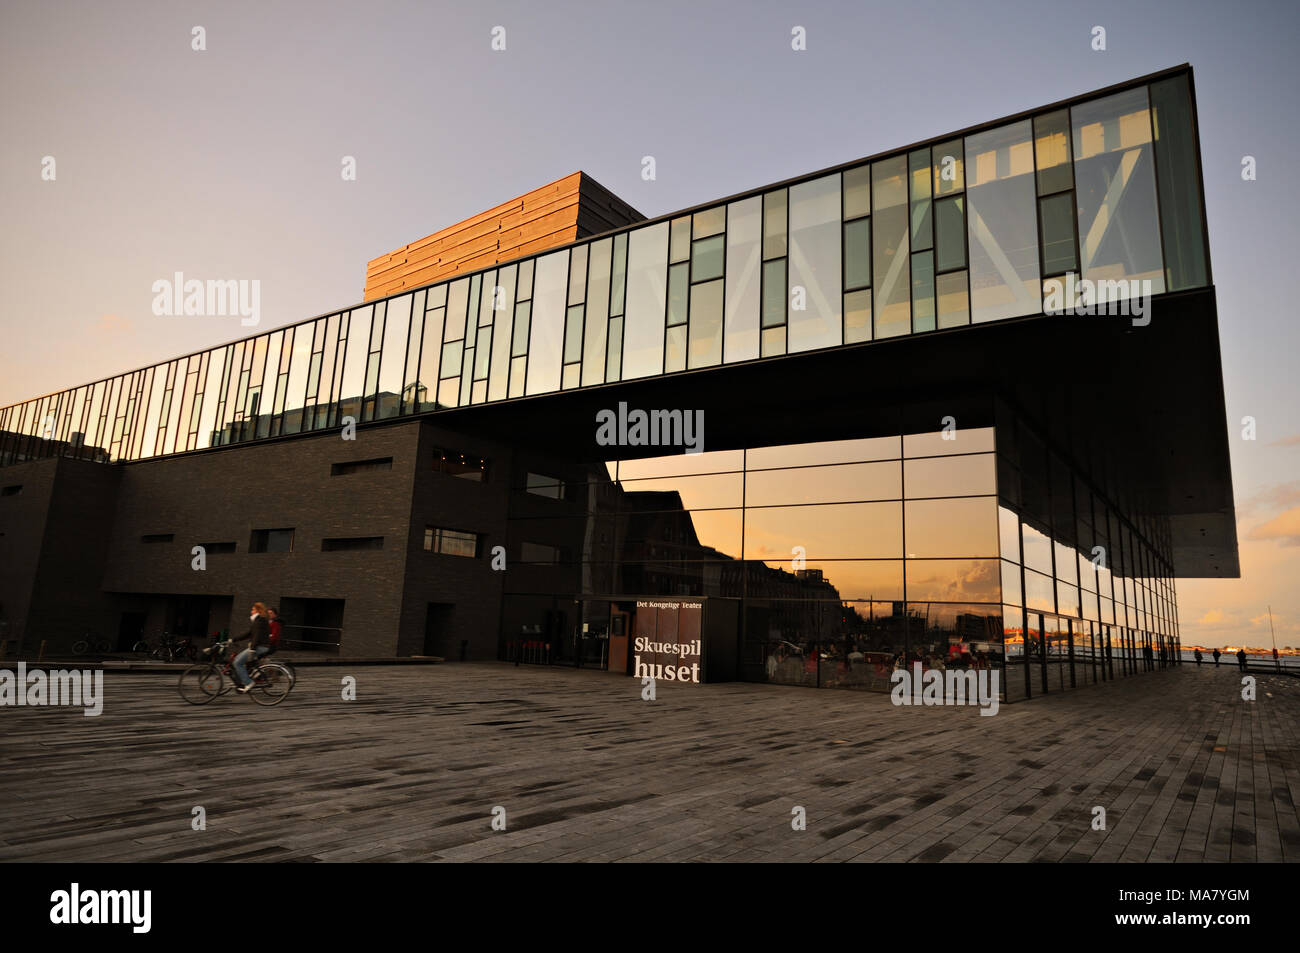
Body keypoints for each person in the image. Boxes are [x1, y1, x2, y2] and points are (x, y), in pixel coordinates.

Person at [230, 602, 272, 693]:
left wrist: (252, 649)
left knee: (237, 662)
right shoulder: (259, 620)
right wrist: (234, 639)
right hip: (261, 646)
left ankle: (248, 682)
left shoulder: (259, 621)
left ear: (258, 610)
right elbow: (248, 634)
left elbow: (256, 636)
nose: (251, 611)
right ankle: (247, 679)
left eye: (253, 609)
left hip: (259, 647)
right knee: (240, 660)